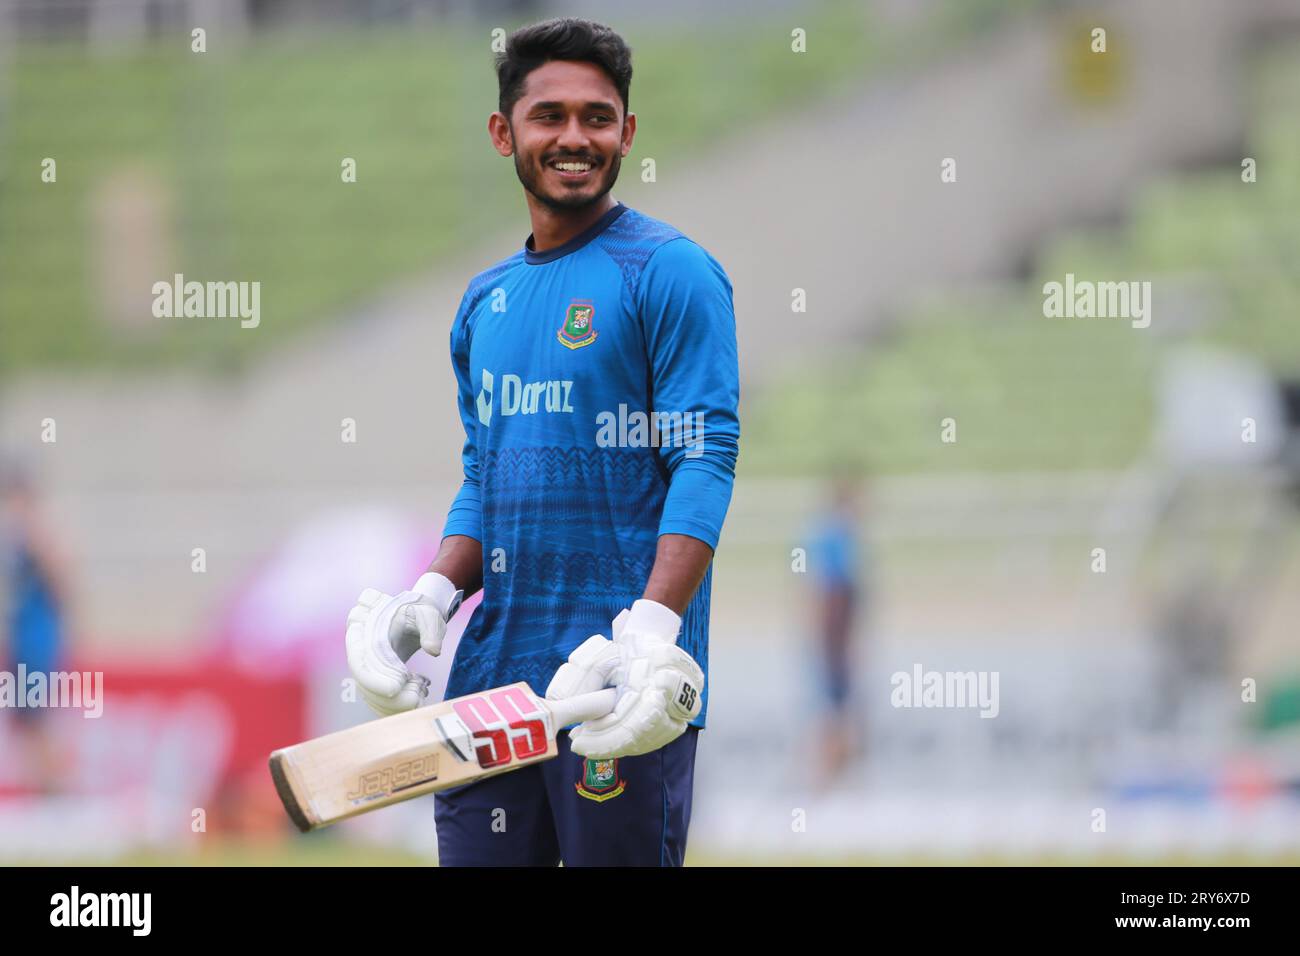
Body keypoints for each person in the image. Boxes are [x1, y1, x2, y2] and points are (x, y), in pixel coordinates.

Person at [343, 18, 739, 866]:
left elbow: (704, 457)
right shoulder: (484, 305)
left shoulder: (671, 272)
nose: (574, 138)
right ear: (503, 133)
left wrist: (653, 630)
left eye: (598, 118)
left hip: (614, 690)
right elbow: (486, 479)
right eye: (548, 115)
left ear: (627, 132)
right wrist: (431, 601)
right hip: (492, 691)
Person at [1, 460, 71, 791]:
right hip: (20, 637)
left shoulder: (37, 533)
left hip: (37, 638)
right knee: (26, 719)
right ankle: (43, 787)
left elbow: (62, 584)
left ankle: (55, 788)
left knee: (37, 717)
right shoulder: (14, 536)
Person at [805, 474, 866, 784]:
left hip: (831, 638)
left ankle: (829, 776)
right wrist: (841, 644)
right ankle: (824, 777)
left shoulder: (831, 535)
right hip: (834, 638)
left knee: (835, 707)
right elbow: (833, 595)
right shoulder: (836, 537)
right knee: (834, 709)